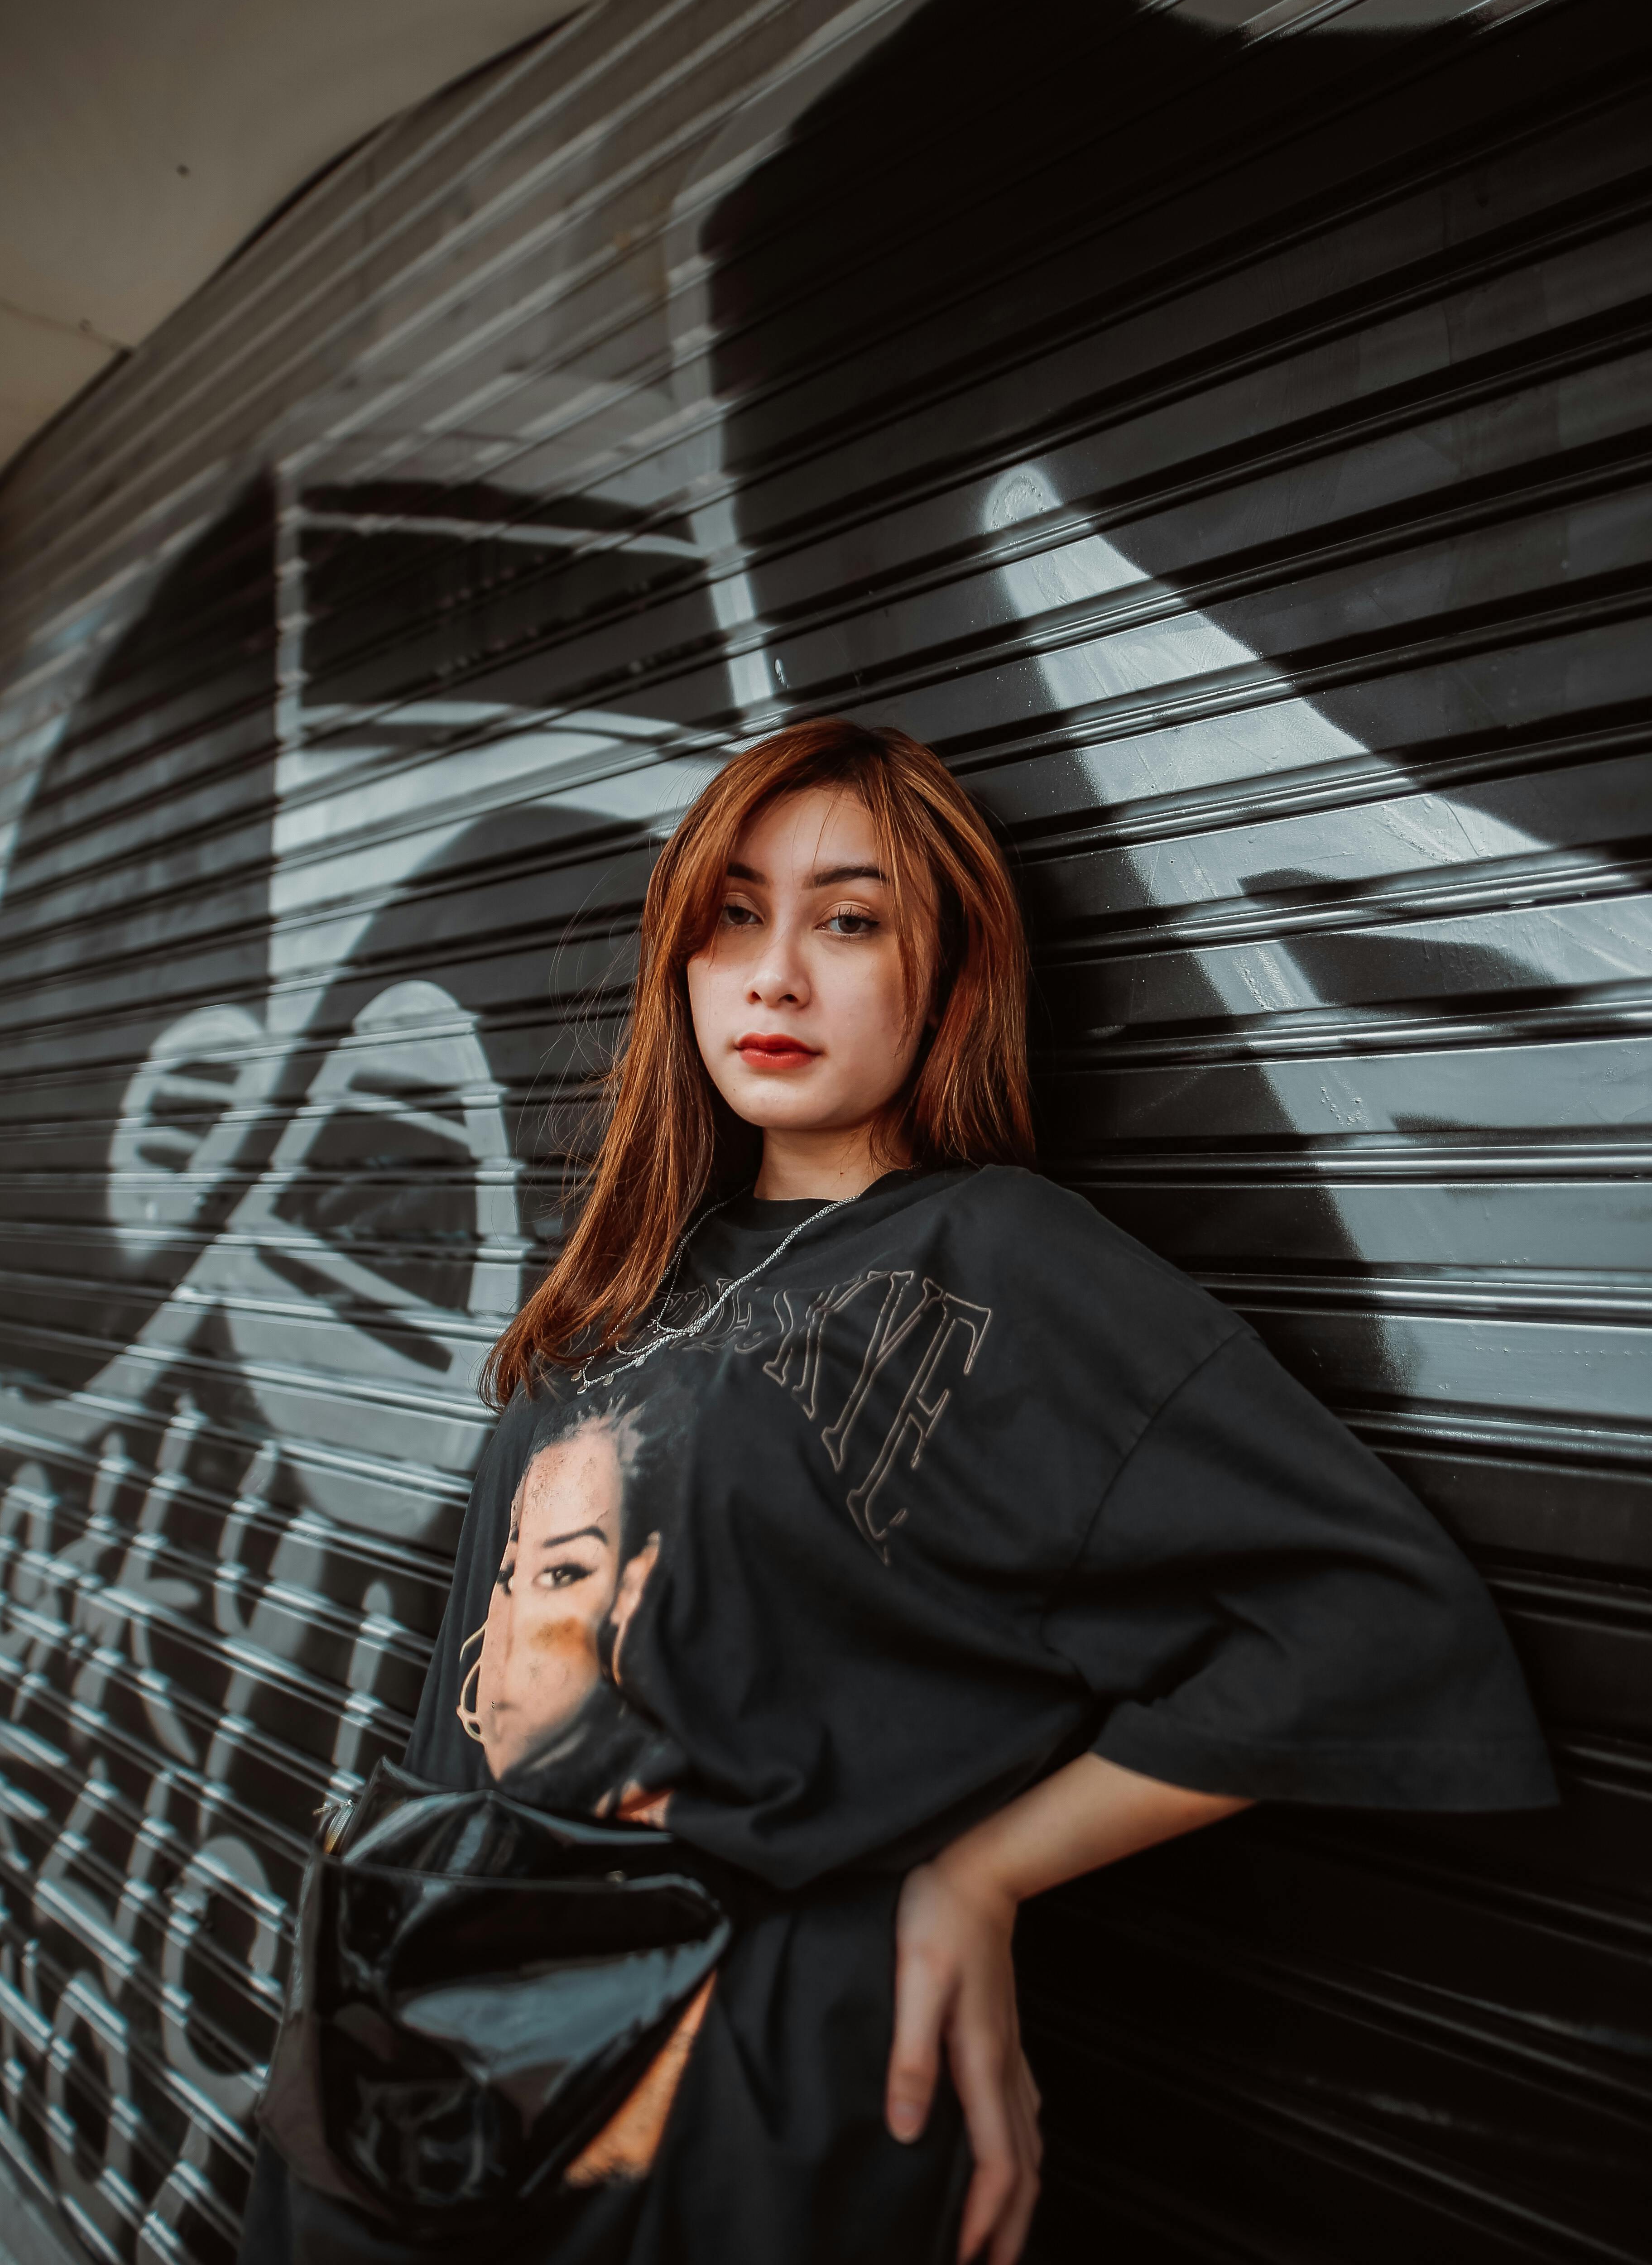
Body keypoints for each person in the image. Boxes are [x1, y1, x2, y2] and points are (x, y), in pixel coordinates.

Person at [242, 717, 1554, 2265]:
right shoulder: (620, 1276)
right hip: (429, 2027)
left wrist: (985, 1874)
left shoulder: (999, 1260)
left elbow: (1373, 1624)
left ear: (944, 975)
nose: (774, 974)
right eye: (734, 915)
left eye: (848, 922)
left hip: (722, 2081)